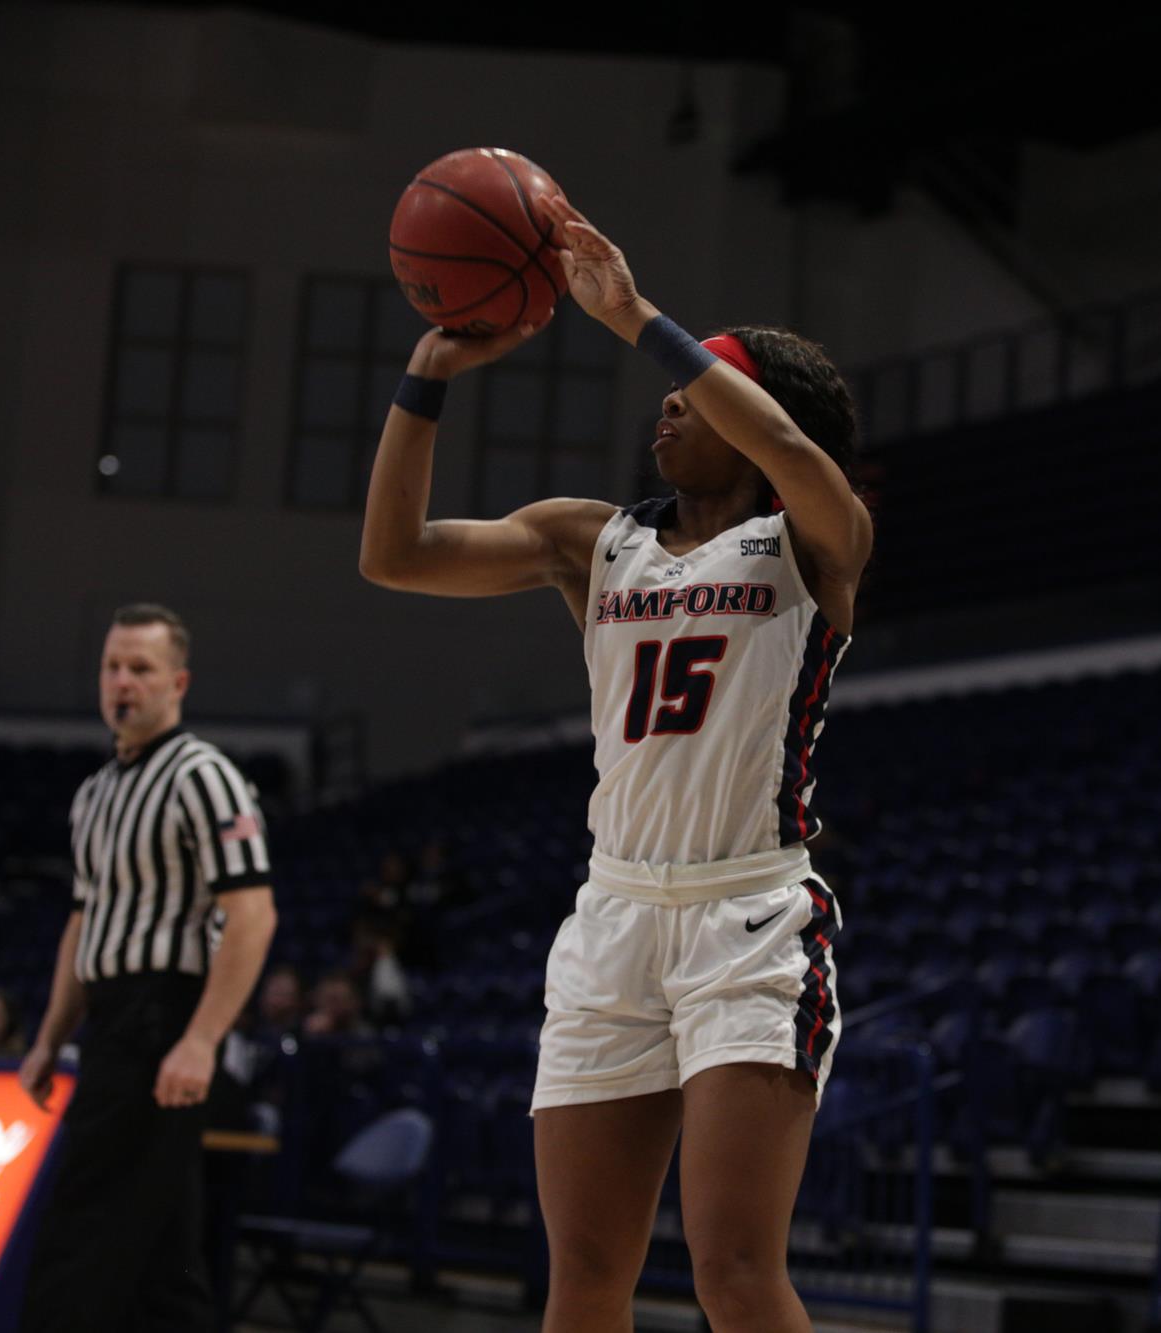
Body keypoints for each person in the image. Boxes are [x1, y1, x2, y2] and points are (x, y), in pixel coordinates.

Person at [358, 191, 870, 1333]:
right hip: (613, 918)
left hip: (749, 919)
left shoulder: (813, 539)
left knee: (733, 1272)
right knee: (585, 1275)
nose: (666, 406)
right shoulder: (592, 539)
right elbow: (391, 554)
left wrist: (636, 313)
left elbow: (790, 450)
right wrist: (428, 373)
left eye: (692, 391)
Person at [19, 604, 278, 1333]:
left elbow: (254, 917)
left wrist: (201, 1038)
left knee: (81, 1224)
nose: (122, 682)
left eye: (141, 668)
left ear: (178, 682)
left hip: (162, 1014)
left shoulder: (205, 776)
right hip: (109, 1018)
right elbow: (83, 922)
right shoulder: (94, 794)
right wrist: (48, 1036)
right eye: (112, 666)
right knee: (163, 1259)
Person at [300, 969, 371, 1038]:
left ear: (355, 1002)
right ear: (316, 999)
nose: (337, 1006)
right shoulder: (300, 1030)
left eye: (343, 1000)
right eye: (331, 1000)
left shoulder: (365, 1036)